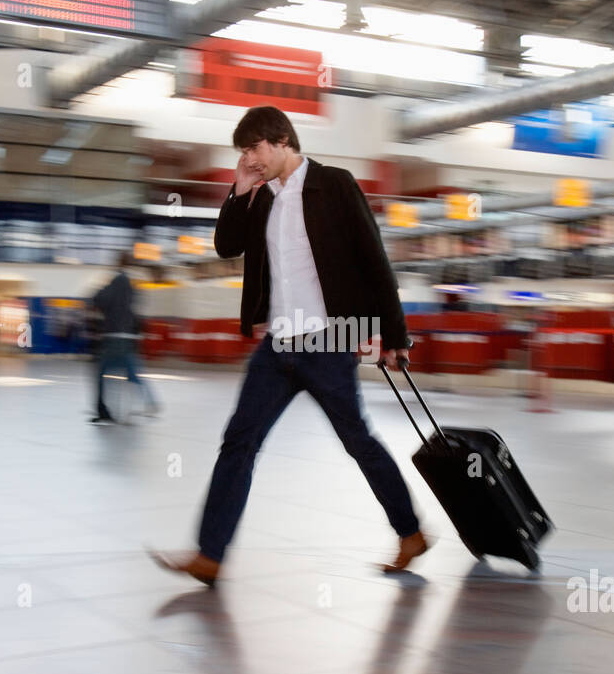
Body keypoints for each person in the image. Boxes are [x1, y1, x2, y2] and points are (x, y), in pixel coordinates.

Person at [151, 105, 430, 586]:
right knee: (239, 441)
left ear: (282, 141)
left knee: (357, 439)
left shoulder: (335, 183)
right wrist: (239, 188)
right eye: (242, 152)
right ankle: (209, 555)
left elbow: (374, 259)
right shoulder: (259, 198)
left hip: (331, 337)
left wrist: (395, 335)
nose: (250, 159)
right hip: (278, 343)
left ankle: (410, 532)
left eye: (254, 149)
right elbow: (226, 246)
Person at [89, 251, 160, 423]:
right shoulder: (135, 284)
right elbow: (137, 312)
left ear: (118, 263)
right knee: (132, 372)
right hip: (129, 336)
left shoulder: (117, 280)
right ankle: (150, 402)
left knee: (100, 373)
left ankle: (103, 411)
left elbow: (99, 299)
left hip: (114, 336)